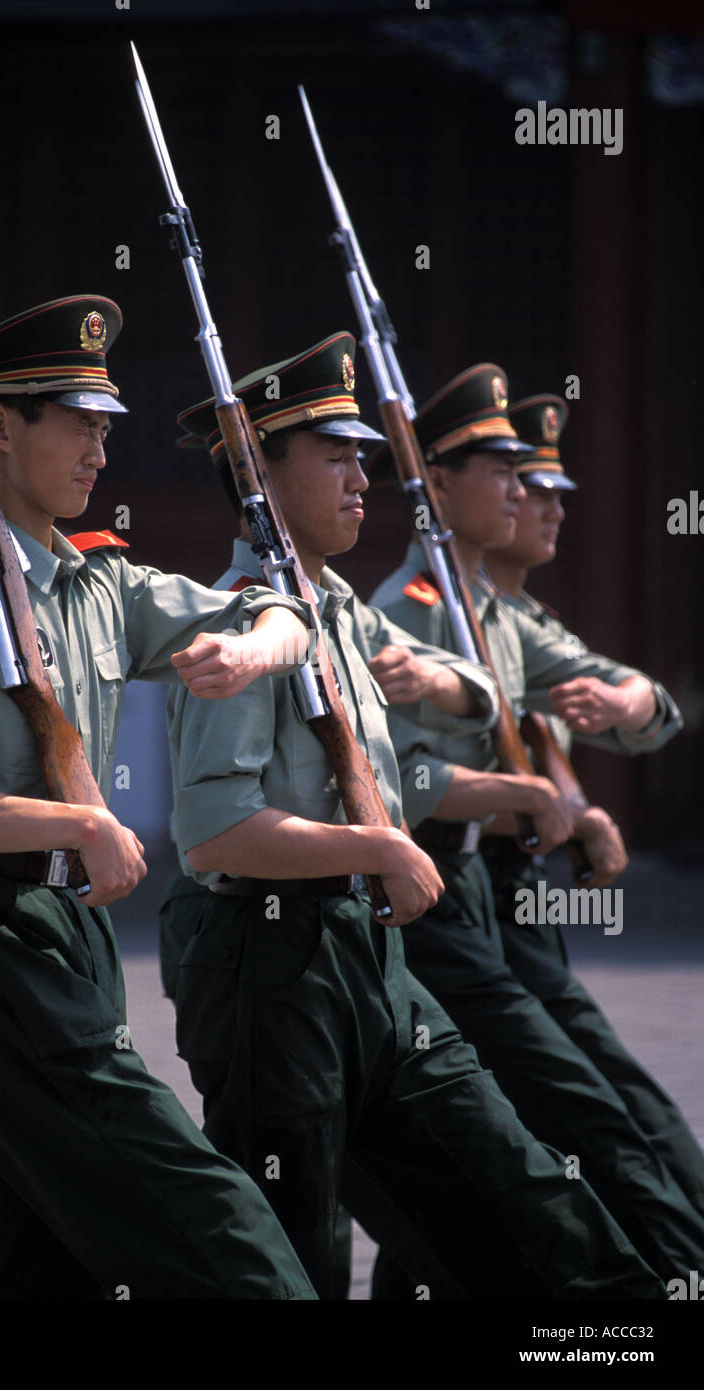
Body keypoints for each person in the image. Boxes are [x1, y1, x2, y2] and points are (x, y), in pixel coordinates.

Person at [162, 331, 666, 1300]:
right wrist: (382, 841)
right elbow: (217, 832)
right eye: (337, 453)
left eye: (364, 453)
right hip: (269, 962)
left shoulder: (348, 612)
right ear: (260, 470)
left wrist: (446, 681)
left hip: (375, 956)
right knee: (297, 1246)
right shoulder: (234, 620)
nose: (366, 474)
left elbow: (479, 683)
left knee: (519, 1191)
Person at [0, 294, 320, 1301]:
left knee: (37, 1245)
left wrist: (248, 650)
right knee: (208, 1210)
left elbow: (287, 611)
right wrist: (79, 818)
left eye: (104, 428)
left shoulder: (101, 585)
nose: (98, 452)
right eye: (77, 424)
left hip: (70, 939)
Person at [368, 363, 704, 1292]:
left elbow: (646, 706)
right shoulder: (408, 613)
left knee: (533, 1124)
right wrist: (524, 800)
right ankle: (661, 1284)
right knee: (559, 1116)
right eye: (507, 474)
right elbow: (386, 782)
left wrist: (621, 707)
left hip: (490, 898)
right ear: (433, 484)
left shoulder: (499, 617)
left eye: (533, 478)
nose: (528, 497)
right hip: (433, 899)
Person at [480, 393, 704, 1210]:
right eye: (527, 485)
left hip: (521, 900)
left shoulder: (529, 626)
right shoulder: (436, 619)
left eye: (553, 492)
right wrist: (567, 809)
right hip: (463, 905)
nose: (546, 507)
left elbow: (645, 707)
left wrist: (629, 704)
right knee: (595, 1119)